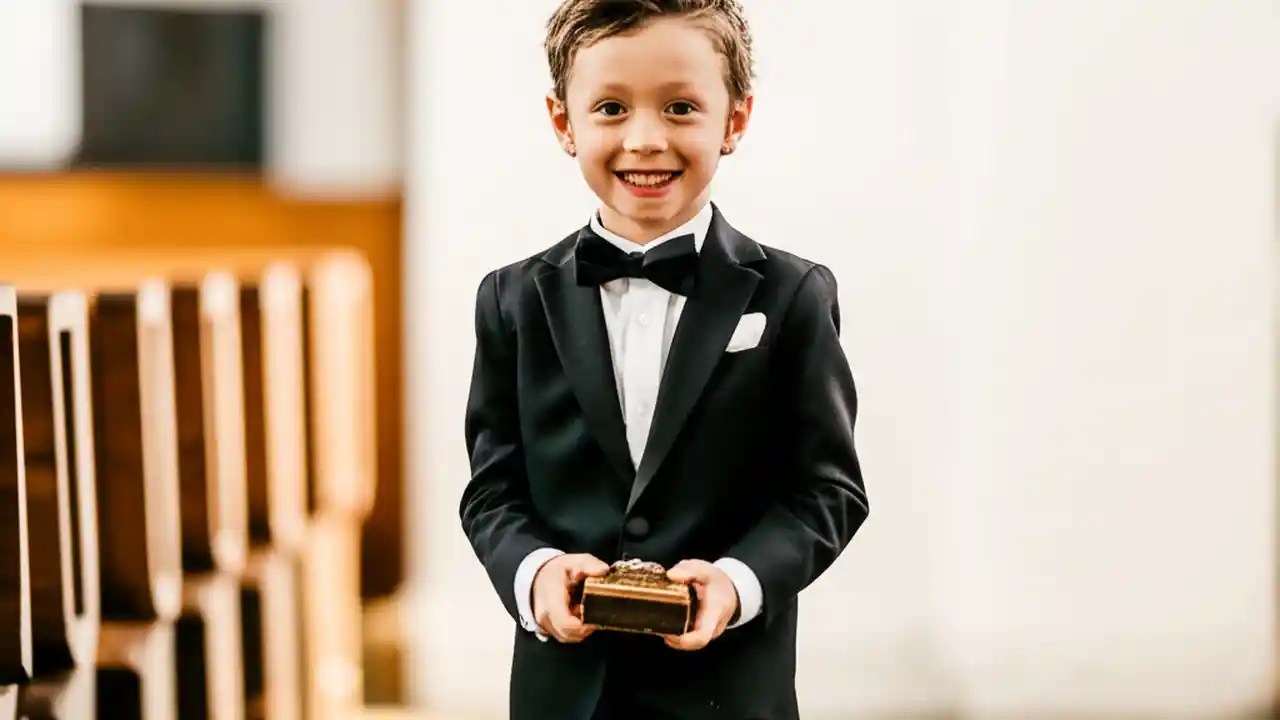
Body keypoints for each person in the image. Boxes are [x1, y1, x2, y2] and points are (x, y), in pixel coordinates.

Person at [459, 1, 868, 717]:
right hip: (566, 693)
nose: (645, 140)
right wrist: (537, 573)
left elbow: (827, 491)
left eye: (680, 107)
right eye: (611, 109)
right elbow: (493, 490)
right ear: (564, 122)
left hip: (729, 690)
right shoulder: (511, 300)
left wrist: (736, 583)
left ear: (734, 120)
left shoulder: (793, 296)